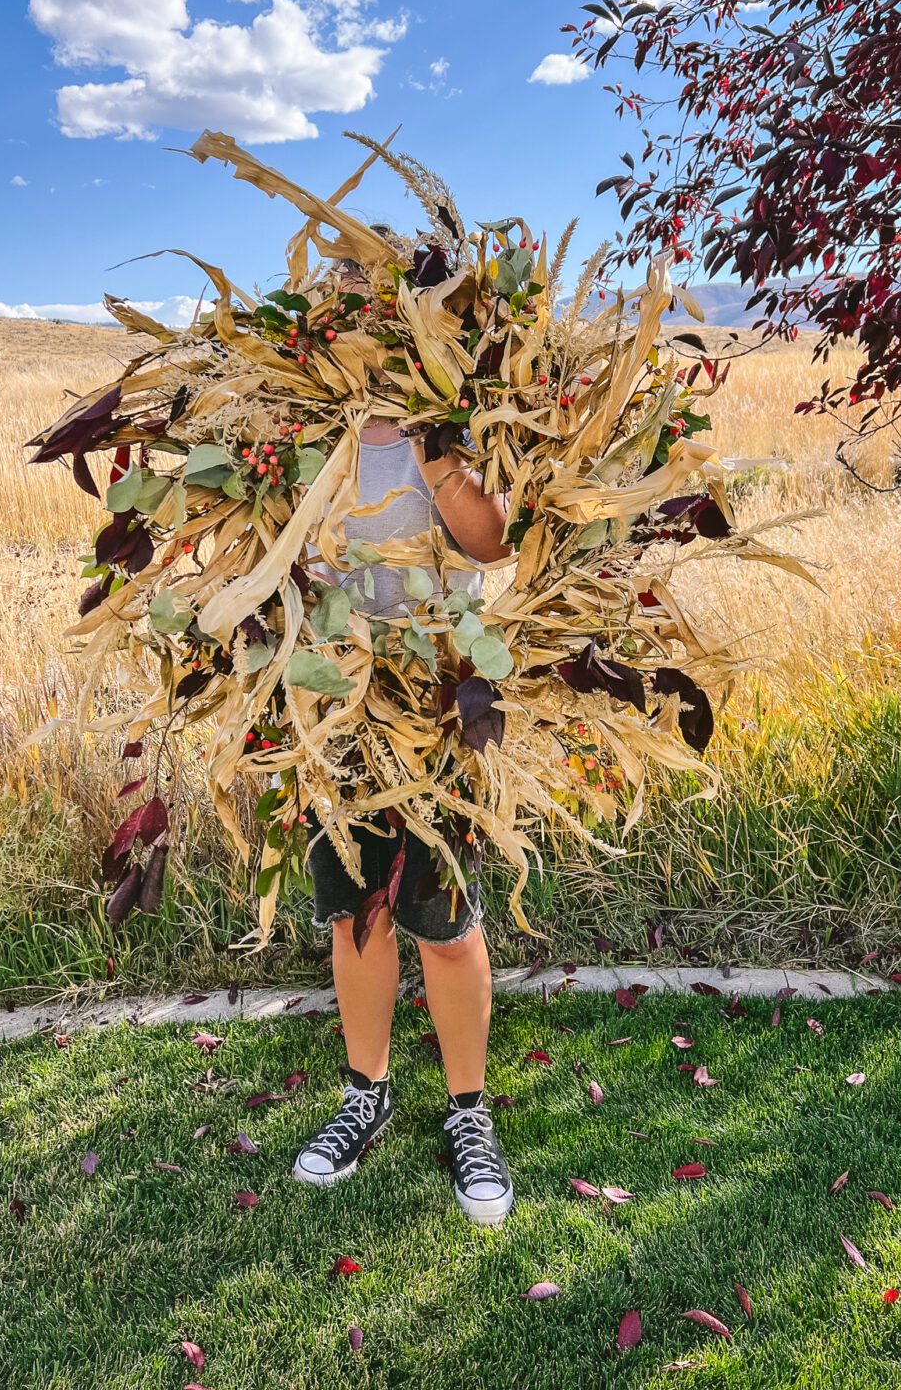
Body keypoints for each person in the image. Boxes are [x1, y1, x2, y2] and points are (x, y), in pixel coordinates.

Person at [290, 402, 518, 1226]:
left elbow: (493, 543)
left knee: (446, 926)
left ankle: (467, 1111)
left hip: (439, 704)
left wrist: (433, 448)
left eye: (375, 279)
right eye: (345, 275)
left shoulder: (457, 405)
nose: (360, 290)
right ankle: (366, 1095)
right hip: (338, 705)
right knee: (357, 915)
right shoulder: (306, 412)